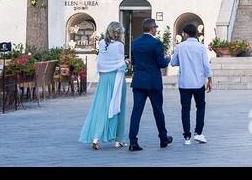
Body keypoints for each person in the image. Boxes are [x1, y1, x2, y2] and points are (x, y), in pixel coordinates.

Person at [79, 22, 129, 149]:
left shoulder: (101, 43)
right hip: (117, 78)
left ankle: (96, 138)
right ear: (117, 33)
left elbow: (101, 63)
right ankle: (118, 139)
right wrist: (127, 63)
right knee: (118, 106)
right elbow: (120, 65)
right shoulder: (119, 45)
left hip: (104, 79)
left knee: (101, 107)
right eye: (119, 32)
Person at [128, 17, 172, 151]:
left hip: (139, 81)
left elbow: (133, 61)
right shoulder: (156, 43)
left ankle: (133, 141)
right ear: (152, 28)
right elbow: (161, 63)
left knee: (136, 112)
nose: (156, 30)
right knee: (158, 111)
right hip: (153, 82)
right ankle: (163, 138)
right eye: (156, 28)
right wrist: (168, 58)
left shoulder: (135, 42)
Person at [170, 21, 212, 144]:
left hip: (184, 83)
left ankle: (187, 136)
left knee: (185, 109)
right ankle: (198, 133)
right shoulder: (201, 47)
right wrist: (210, 80)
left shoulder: (180, 47)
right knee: (200, 107)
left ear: (186, 34)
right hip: (198, 82)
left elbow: (173, 63)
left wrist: (183, 61)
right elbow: (206, 65)